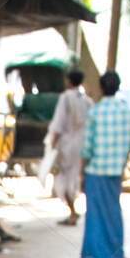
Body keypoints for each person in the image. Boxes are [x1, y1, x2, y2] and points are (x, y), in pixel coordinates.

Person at [80, 71, 130, 258]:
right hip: (114, 171)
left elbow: (87, 146)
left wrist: (82, 171)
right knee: (113, 210)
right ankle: (116, 255)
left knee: (94, 213)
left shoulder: (95, 111)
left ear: (102, 88)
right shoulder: (126, 111)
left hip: (96, 170)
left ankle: (91, 257)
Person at [46, 68, 91, 225]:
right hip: (82, 145)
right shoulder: (86, 100)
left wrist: (52, 145)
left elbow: (58, 123)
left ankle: (73, 212)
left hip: (67, 145)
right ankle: (73, 211)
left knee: (63, 179)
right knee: (74, 178)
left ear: (68, 81)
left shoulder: (66, 98)